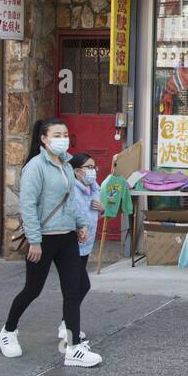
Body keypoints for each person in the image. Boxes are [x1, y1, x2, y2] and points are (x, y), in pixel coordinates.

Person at [0, 119, 99, 367]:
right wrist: (34, 240)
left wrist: (80, 224)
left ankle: (73, 347)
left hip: (67, 237)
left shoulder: (66, 163)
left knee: (73, 290)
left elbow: (70, 201)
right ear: (44, 138)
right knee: (33, 289)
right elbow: (27, 206)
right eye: (57, 134)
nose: (62, 138)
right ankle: (8, 331)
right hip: (43, 238)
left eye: (65, 134)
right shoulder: (35, 167)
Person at [62, 151, 102, 353]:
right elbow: (69, 212)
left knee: (77, 287)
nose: (93, 171)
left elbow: (100, 212)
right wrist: (78, 227)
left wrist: (101, 208)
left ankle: (66, 325)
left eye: (94, 167)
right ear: (77, 171)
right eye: (88, 167)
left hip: (87, 245)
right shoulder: (72, 190)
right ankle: (70, 336)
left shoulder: (95, 188)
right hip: (71, 244)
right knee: (80, 286)